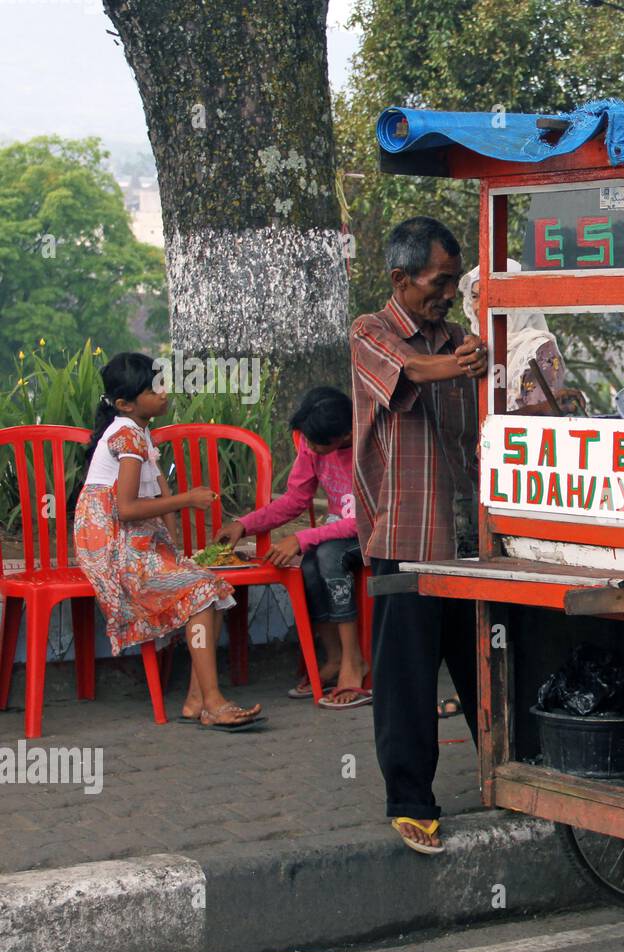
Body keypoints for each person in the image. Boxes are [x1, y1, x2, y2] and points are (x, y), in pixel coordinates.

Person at [350, 216, 489, 855]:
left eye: (455, 282)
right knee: (406, 679)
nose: (448, 294)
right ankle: (411, 802)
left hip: (467, 534)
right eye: (438, 282)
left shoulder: (458, 337)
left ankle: (509, 776)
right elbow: (407, 371)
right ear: (401, 279)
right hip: (405, 533)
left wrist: (479, 359)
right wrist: (458, 362)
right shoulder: (370, 332)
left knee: (488, 666)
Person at [73, 352, 263, 730]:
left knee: (213, 590)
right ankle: (213, 701)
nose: (163, 392)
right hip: (113, 548)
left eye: (162, 383)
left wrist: (177, 554)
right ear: (125, 403)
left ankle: (197, 700)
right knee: (202, 590)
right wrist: (188, 499)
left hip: (138, 542)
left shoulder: (139, 430)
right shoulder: (126, 434)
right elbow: (126, 508)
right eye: (153, 388)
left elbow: (158, 497)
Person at [213, 386, 368, 708]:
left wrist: (301, 537)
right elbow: (296, 500)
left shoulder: (370, 448)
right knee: (310, 561)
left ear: (347, 433)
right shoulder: (312, 444)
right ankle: (335, 657)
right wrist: (245, 525)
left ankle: (355, 663)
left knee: (325, 555)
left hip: (375, 534)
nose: (308, 447)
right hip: (338, 531)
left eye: (316, 443)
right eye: (305, 440)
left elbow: (367, 519)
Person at [458, 261, 585, 415]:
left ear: (516, 299)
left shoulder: (537, 349)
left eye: (491, 296)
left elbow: (538, 423)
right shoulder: (476, 349)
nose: (479, 306)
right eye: (475, 297)